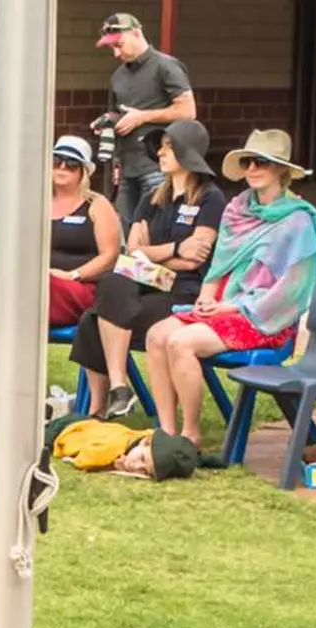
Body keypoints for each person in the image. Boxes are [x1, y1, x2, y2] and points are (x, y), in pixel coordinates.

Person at [141, 128, 316, 446]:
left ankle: (190, 435)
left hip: (265, 318)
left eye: (261, 162)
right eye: (247, 162)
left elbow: (290, 294)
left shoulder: (299, 221)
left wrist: (228, 307)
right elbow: (219, 267)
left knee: (180, 342)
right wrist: (205, 298)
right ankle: (166, 433)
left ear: (281, 169)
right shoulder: (237, 208)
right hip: (224, 306)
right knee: (156, 335)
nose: (251, 169)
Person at [69, 118, 225, 418]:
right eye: (161, 147)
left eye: (169, 147)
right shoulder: (153, 197)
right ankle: (110, 397)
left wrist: (152, 253)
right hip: (150, 283)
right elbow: (133, 251)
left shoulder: (210, 198)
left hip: (185, 290)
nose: (161, 153)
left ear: (187, 152)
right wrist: (176, 249)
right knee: (111, 283)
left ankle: (107, 404)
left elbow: (194, 259)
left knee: (96, 317)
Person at [98, 13, 195, 224]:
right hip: (126, 168)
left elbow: (188, 111)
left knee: (155, 227)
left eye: (119, 45)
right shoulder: (117, 76)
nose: (116, 53)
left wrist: (142, 117)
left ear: (136, 33)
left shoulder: (166, 66)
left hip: (157, 165)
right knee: (126, 229)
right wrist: (108, 122)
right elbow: (117, 113)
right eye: (111, 48)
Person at [46, 135, 121, 326]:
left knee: (41, 287)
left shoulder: (97, 204)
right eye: (57, 161)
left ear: (83, 171)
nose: (62, 167)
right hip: (41, 282)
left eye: (71, 164)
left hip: (82, 285)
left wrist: (72, 275)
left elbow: (110, 256)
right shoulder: (39, 202)